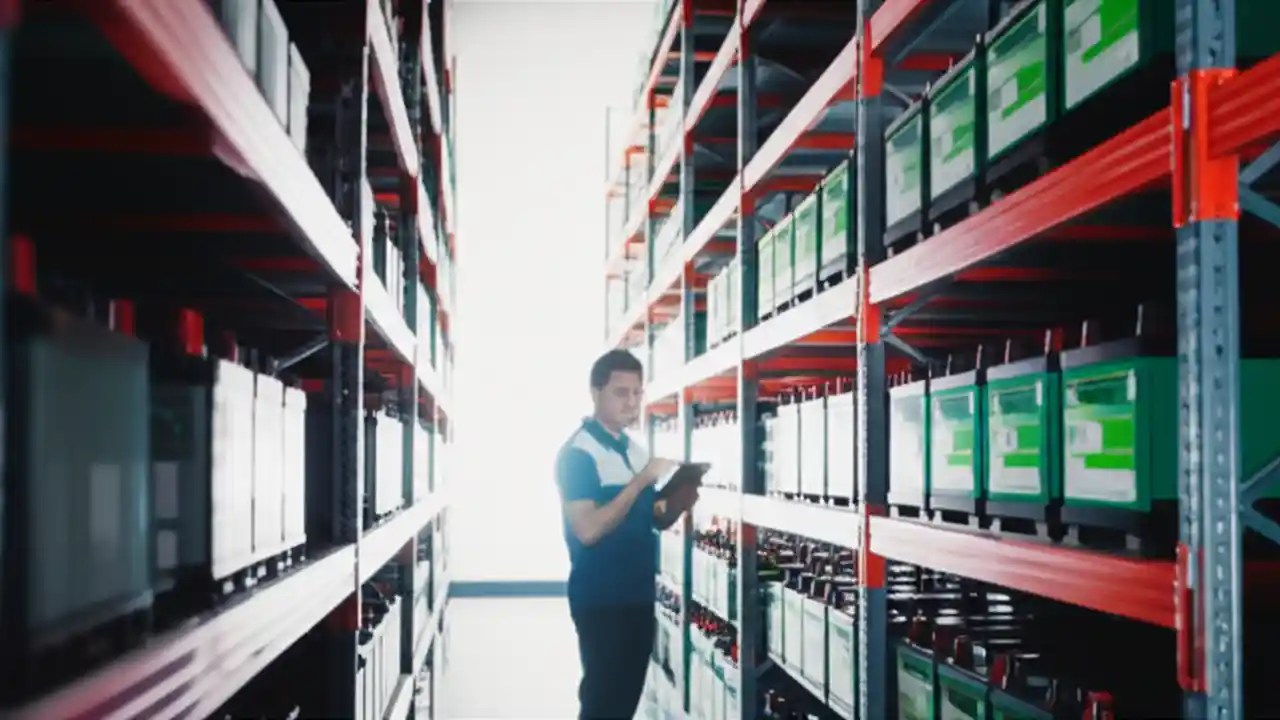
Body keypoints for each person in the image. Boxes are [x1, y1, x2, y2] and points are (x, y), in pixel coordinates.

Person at [555, 349, 701, 720]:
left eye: (637, 393)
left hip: (638, 593)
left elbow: (650, 518)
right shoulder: (577, 454)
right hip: (601, 597)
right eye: (621, 393)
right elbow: (588, 529)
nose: (632, 402)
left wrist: (679, 499)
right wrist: (642, 481)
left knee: (622, 704)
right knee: (603, 703)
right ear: (595, 392)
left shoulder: (634, 450)